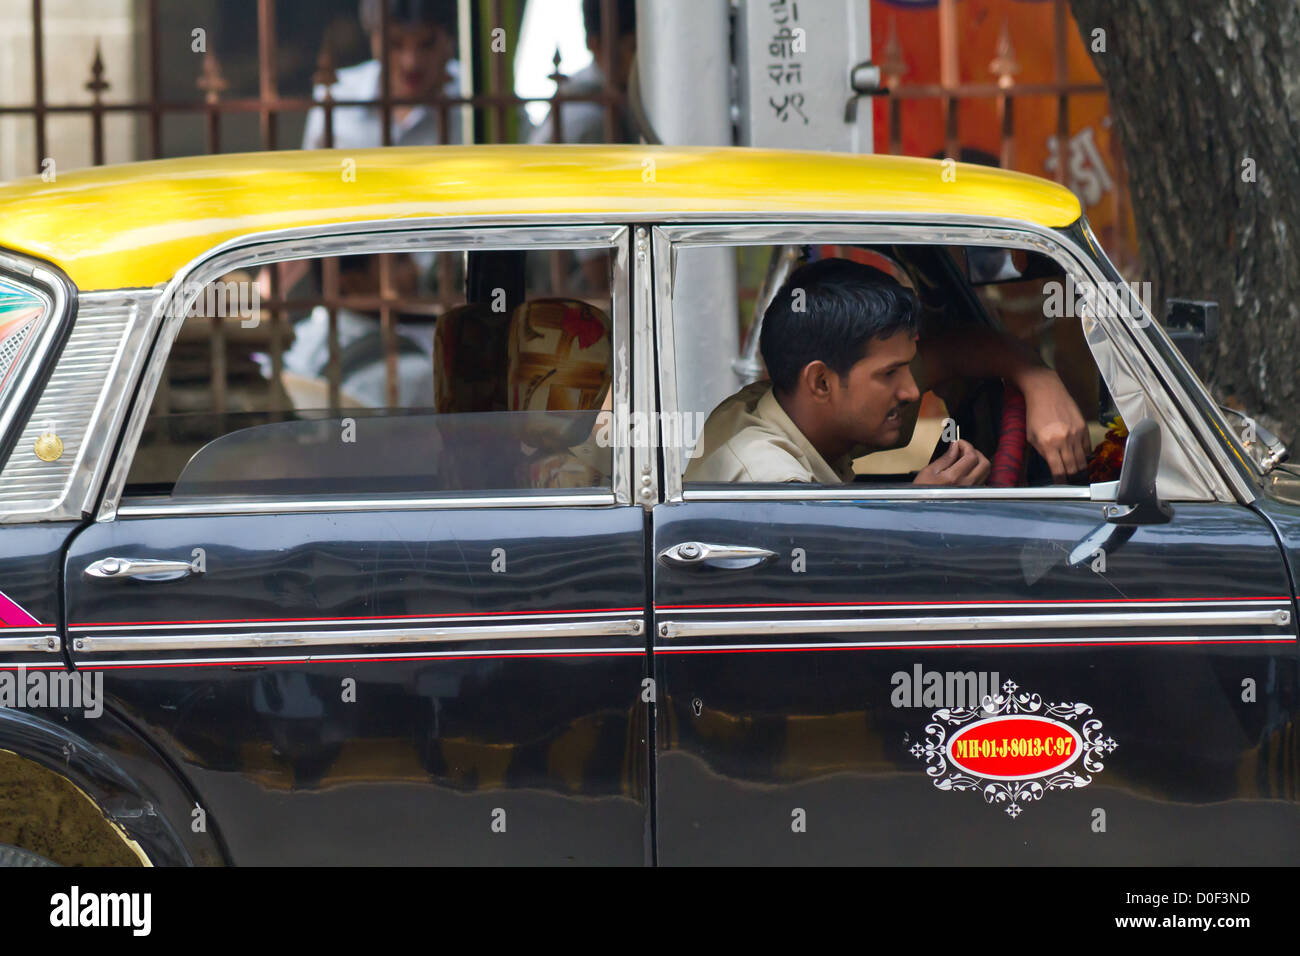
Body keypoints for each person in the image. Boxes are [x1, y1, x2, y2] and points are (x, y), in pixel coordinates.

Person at [685, 257, 1092, 486]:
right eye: (891, 373)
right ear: (821, 381)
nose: (913, 391)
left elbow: (953, 350)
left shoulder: (799, 409)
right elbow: (834, 613)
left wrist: (1039, 380)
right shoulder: (772, 482)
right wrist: (916, 513)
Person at [302, 0, 462, 150]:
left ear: (448, 40)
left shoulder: (471, 92)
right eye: (395, 43)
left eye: (427, 44)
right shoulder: (337, 96)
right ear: (373, 36)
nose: (411, 63)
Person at [530, 0, 638, 144]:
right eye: (633, 47)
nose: (641, 59)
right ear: (595, 45)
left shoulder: (584, 96)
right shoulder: (589, 123)